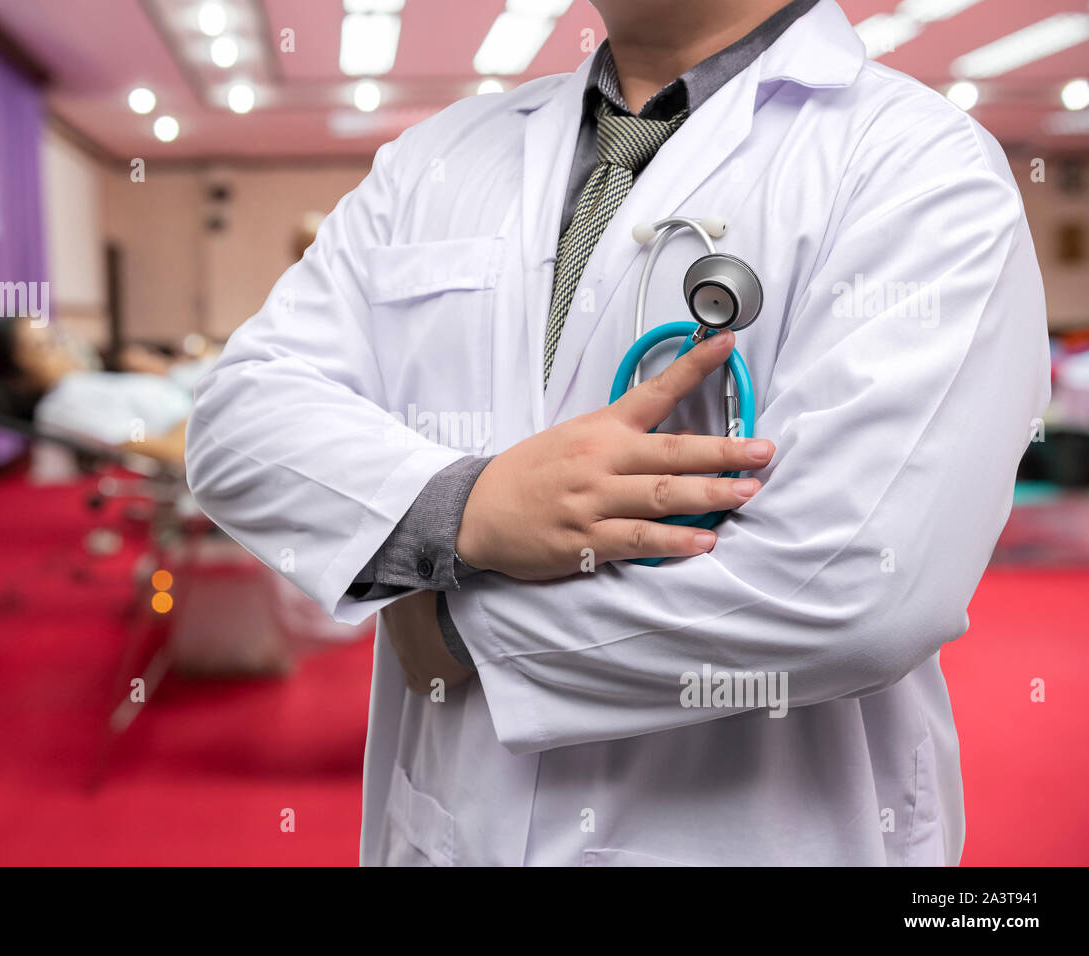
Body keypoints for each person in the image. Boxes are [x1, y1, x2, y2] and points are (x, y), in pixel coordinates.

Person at [185, 0, 1050, 865]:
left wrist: (457, 632)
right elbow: (240, 421)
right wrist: (467, 510)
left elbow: (855, 587)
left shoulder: (919, 165)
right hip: (449, 823)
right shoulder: (434, 159)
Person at [0, 317, 213, 466]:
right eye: (45, 347)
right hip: (214, 429)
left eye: (56, 336)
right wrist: (208, 397)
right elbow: (173, 451)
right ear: (16, 379)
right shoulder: (63, 405)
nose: (65, 348)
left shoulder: (85, 383)